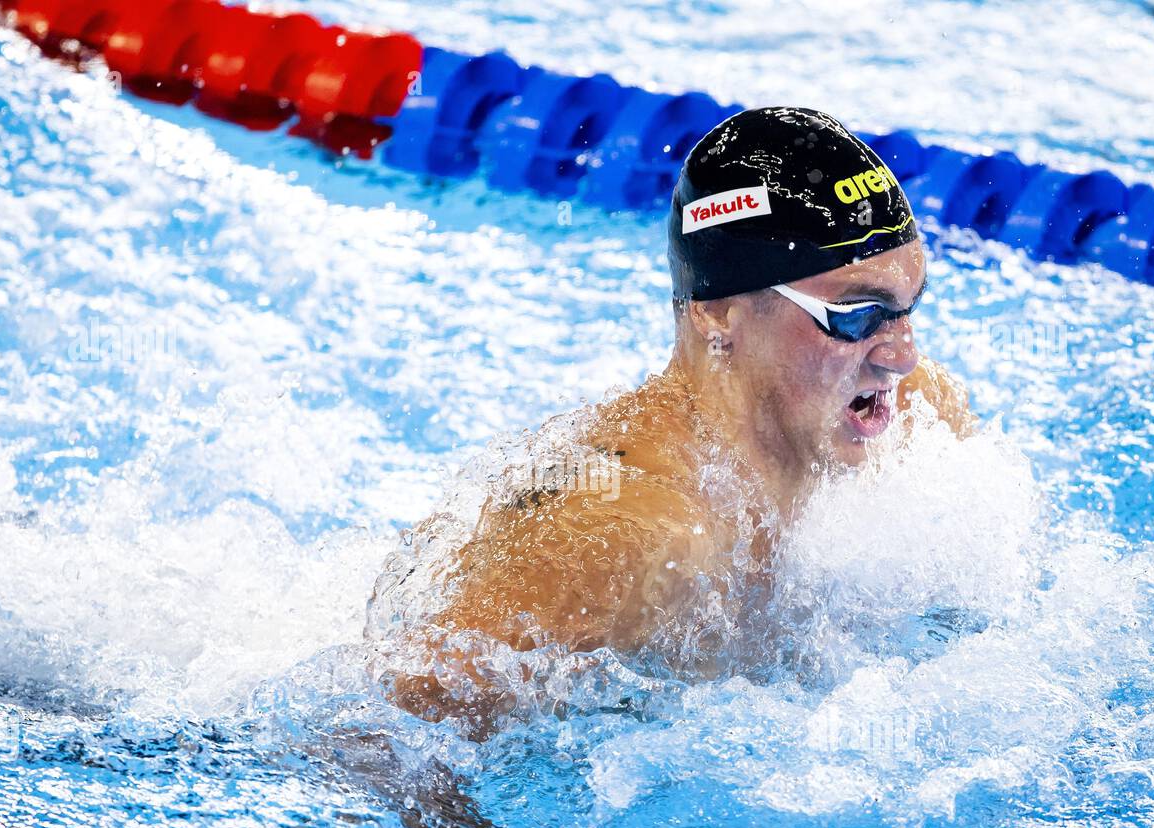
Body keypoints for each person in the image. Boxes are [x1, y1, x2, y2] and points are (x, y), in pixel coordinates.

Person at [375, 107, 974, 736]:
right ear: (717, 315)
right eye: (855, 316)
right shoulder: (629, 529)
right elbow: (394, 712)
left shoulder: (918, 417)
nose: (902, 356)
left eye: (908, 308)